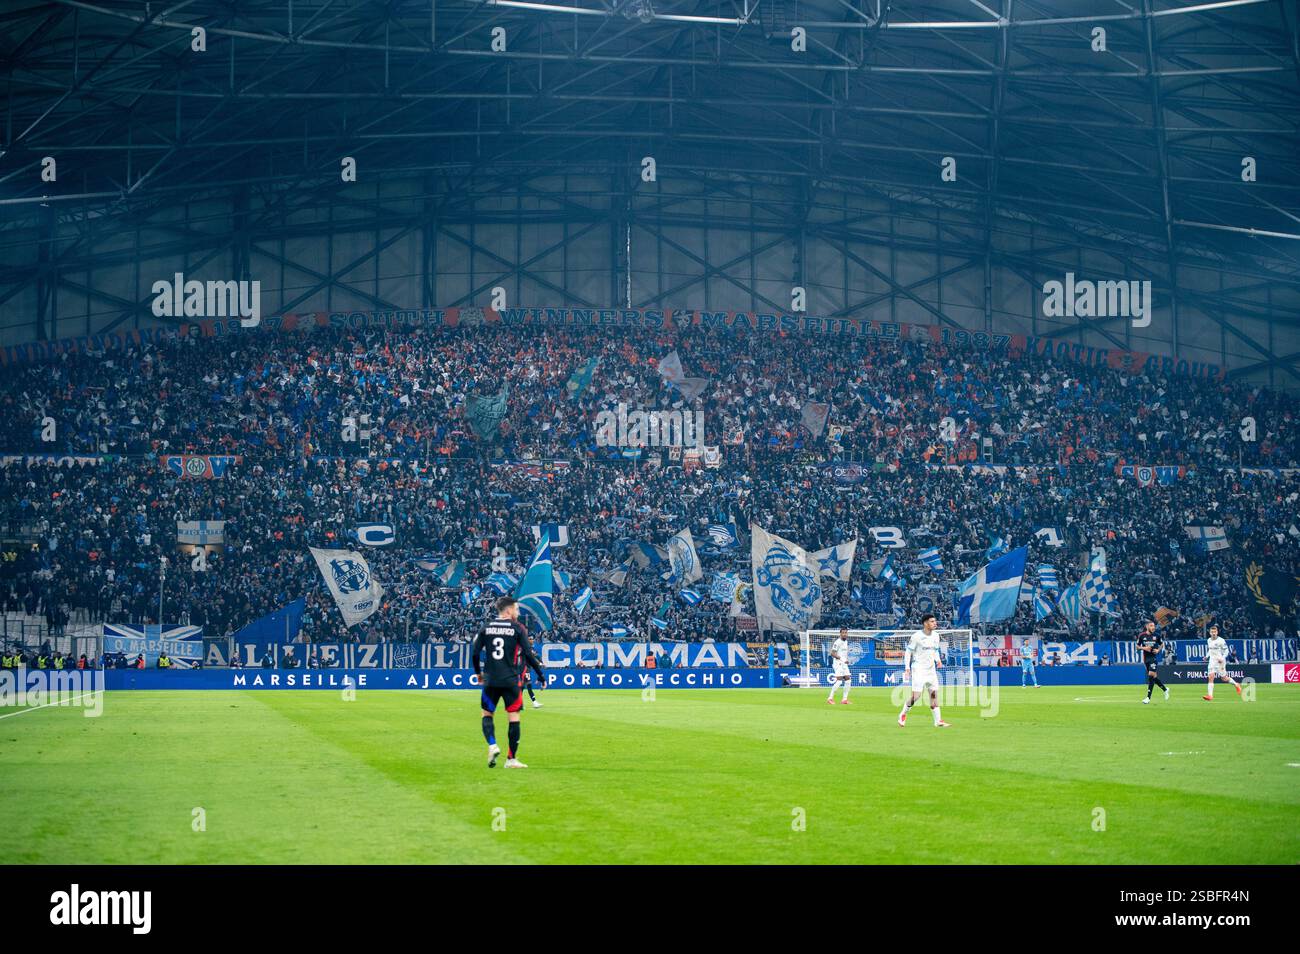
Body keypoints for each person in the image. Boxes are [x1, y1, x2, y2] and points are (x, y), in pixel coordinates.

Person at [471, 597, 545, 769]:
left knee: (487, 714)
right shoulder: (517, 628)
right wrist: (540, 675)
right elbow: (528, 654)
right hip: (511, 680)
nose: (517, 613)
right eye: (516, 609)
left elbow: (475, 652)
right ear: (508, 610)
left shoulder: (487, 627)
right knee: (514, 717)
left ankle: (492, 745)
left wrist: (478, 674)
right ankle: (511, 759)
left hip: (490, 680)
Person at [898, 614, 951, 728]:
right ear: (925, 623)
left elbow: (935, 650)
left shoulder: (936, 636)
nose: (935, 623)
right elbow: (908, 652)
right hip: (919, 669)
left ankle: (938, 721)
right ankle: (903, 713)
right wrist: (907, 668)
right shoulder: (916, 636)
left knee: (933, 695)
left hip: (931, 670)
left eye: (935, 621)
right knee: (916, 696)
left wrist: (938, 660)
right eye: (932, 621)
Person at [1202, 624, 1242, 701]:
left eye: (1215, 632)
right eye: (1212, 632)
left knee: (1224, 678)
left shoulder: (1221, 640)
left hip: (1220, 661)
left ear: (1217, 632)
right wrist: (1206, 657)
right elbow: (1210, 650)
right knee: (1211, 677)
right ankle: (1210, 696)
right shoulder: (1209, 640)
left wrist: (1222, 658)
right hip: (1212, 661)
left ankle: (1236, 684)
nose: (1213, 633)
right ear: (1210, 633)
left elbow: (1226, 651)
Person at [1136, 620, 1169, 704]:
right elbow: (1137, 647)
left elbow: (1162, 644)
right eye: (1151, 626)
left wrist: (1158, 650)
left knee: (1150, 675)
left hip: (1153, 658)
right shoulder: (1141, 635)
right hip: (1145, 659)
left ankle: (1148, 698)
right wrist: (1144, 648)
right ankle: (1165, 689)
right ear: (1147, 626)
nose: (1153, 627)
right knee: (1153, 677)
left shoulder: (1157, 635)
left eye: (1154, 626)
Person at [827, 626, 853, 705]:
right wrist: (842, 659)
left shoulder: (846, 641)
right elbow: (832, 653)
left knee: (848, 679)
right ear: (840, 634)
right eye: (843, 633)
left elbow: (842, 653)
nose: (845, 634)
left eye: (846, 633)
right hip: (838, 663)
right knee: (839, 681)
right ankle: (830, 698)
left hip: (844, 663)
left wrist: (846, 659)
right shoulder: (837, 642)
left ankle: (844, 699)